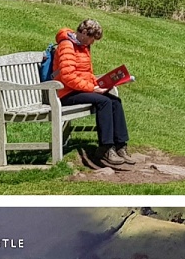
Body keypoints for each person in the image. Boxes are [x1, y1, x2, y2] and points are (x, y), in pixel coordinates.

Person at [52, 19, 134, 167]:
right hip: (65, 93)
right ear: (83, 33)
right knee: (104, 102)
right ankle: (105, 148)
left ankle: (120, 145)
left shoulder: (83, 46)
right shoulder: (67, 46)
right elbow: (67, 76)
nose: (93, 42)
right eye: (92, 38)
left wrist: (101, 83)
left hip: (81, 89)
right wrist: (91, 88)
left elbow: (85, 73)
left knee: (115, 101)